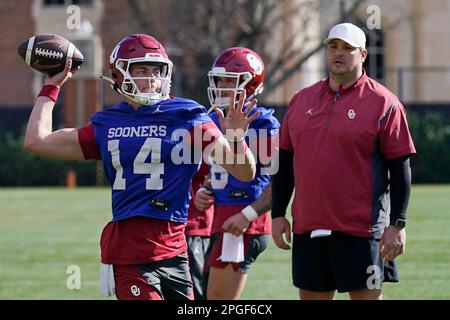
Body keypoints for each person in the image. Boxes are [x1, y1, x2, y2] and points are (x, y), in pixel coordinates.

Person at [24, 34, 260, 300]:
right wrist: (51, 87)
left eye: (157, 71)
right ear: (120, 75)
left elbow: (244, 172)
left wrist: (237, 139)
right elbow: (37, 140)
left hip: (174, 249)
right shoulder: (108, 122)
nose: (152, 79)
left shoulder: (187, 115)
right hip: (130, 252)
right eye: (142, 70)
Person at [271, 23, 416, 300]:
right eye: (333, 47)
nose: (338, 53)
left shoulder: (384, 103)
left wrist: (398, 224)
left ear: (362, 54)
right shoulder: (301, 100)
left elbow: (400, 168)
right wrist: (278, 214)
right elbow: (285, 162)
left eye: (347, 48)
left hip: (362, 231)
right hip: (308, 226)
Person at [195, 47, 280, 300]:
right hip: (222, 217)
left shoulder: (264, 125)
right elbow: (224, 170)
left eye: (229, 81)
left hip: (242, 222)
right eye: (219, 80)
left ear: (250, 84)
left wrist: (247, 215)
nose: (221, 86)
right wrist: (206, 190)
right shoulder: (216, 119)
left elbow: (283, 181)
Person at [185, 164, 214, 300]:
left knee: (197, 285)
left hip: (193, 219)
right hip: (166, 223)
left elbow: (215, 168)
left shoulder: (204, 143)